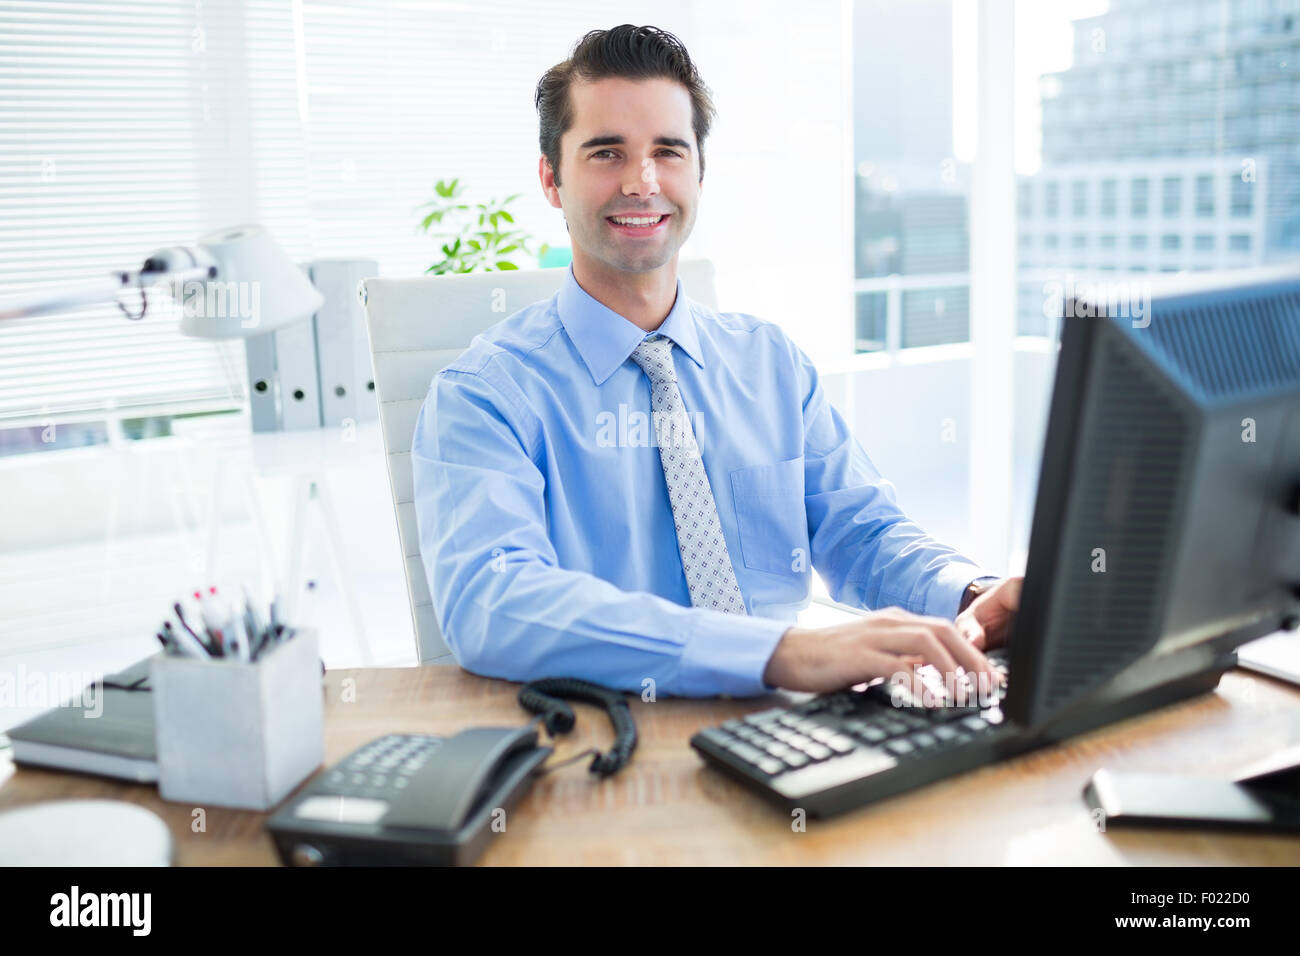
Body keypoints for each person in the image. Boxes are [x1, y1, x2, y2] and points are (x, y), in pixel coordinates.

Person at [412, 24, 1022, 698]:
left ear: (698, 171)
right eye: (606, 152)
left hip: (790, 739)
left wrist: (972, 593)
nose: (642, 182)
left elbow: (863, 532)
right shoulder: (485, 395)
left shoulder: (770, 365)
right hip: (612, 748)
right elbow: (493, 602)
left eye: (668, 151)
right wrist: (777, 653)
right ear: (551, 180)